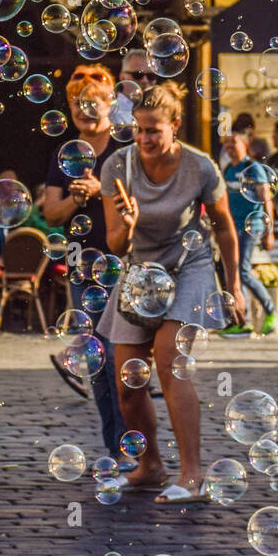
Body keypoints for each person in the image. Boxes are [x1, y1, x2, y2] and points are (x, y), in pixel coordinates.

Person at [99, 82, 247, 501]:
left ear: (175, 126)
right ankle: (150, 467)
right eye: (139, 129)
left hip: (189, 265)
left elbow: (224, 227)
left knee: (169, 359)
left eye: (153, 130)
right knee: (126, 381)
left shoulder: (199, 166)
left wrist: (233, 285)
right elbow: (115, 245)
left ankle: (192, 475)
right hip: (139, 272)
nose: (144, 138)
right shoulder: (116, 166)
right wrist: (126, 226)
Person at [42, 64, 128, 464]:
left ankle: (130, 441)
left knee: (118, 357)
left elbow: (135, 203)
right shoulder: (66, 154)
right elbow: (52, 214)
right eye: (77, 103)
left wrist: (100, 189)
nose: (84, 109)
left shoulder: (123, 148)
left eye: (92, 102)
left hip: (121, 260)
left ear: (110, 102)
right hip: (82, 265)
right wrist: (78, 199)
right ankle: (116, 442)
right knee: (97, 358)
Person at [220, 128, 278, 336]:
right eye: (226, 143)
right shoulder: (227, 169)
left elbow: (266, 198)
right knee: (234, 272)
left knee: (242, 271)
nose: (229, 146)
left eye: (233, 142)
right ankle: (241, 320)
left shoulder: (253, 168)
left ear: (245, 145)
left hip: (252, 225)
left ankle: (272, 312)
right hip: (232, 226)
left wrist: (268, 230)